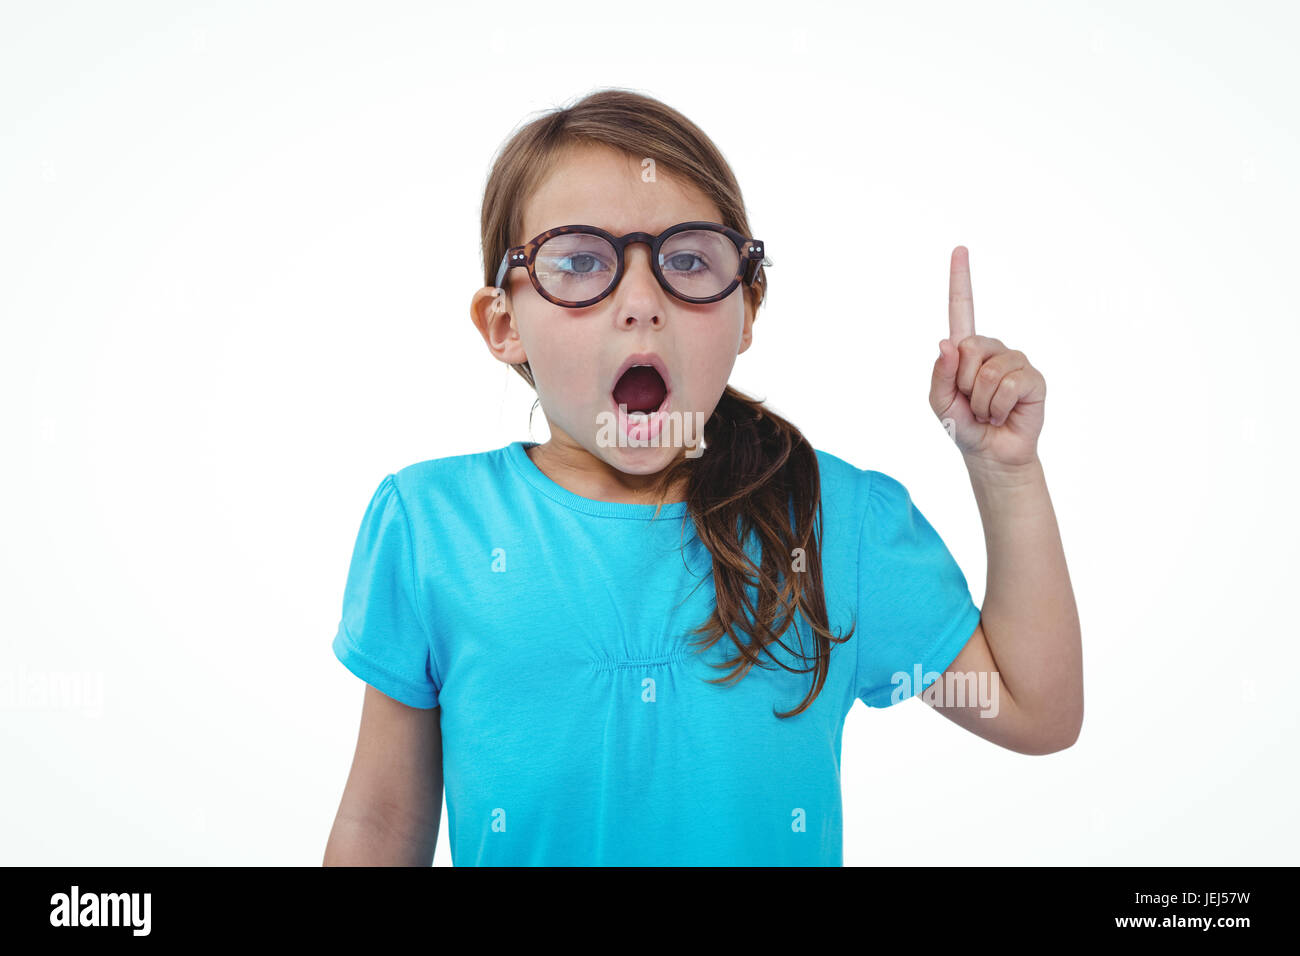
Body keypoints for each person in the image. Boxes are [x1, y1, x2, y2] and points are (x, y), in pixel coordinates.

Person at [323, 88, 1083, 867]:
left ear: (747, 310)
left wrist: (1005, 471)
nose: (642, 303)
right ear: (504, 323)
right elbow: (381, 825)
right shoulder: (430, 526)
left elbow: (1035, 709)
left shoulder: (836, 523)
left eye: (688, 261)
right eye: (582, 262)